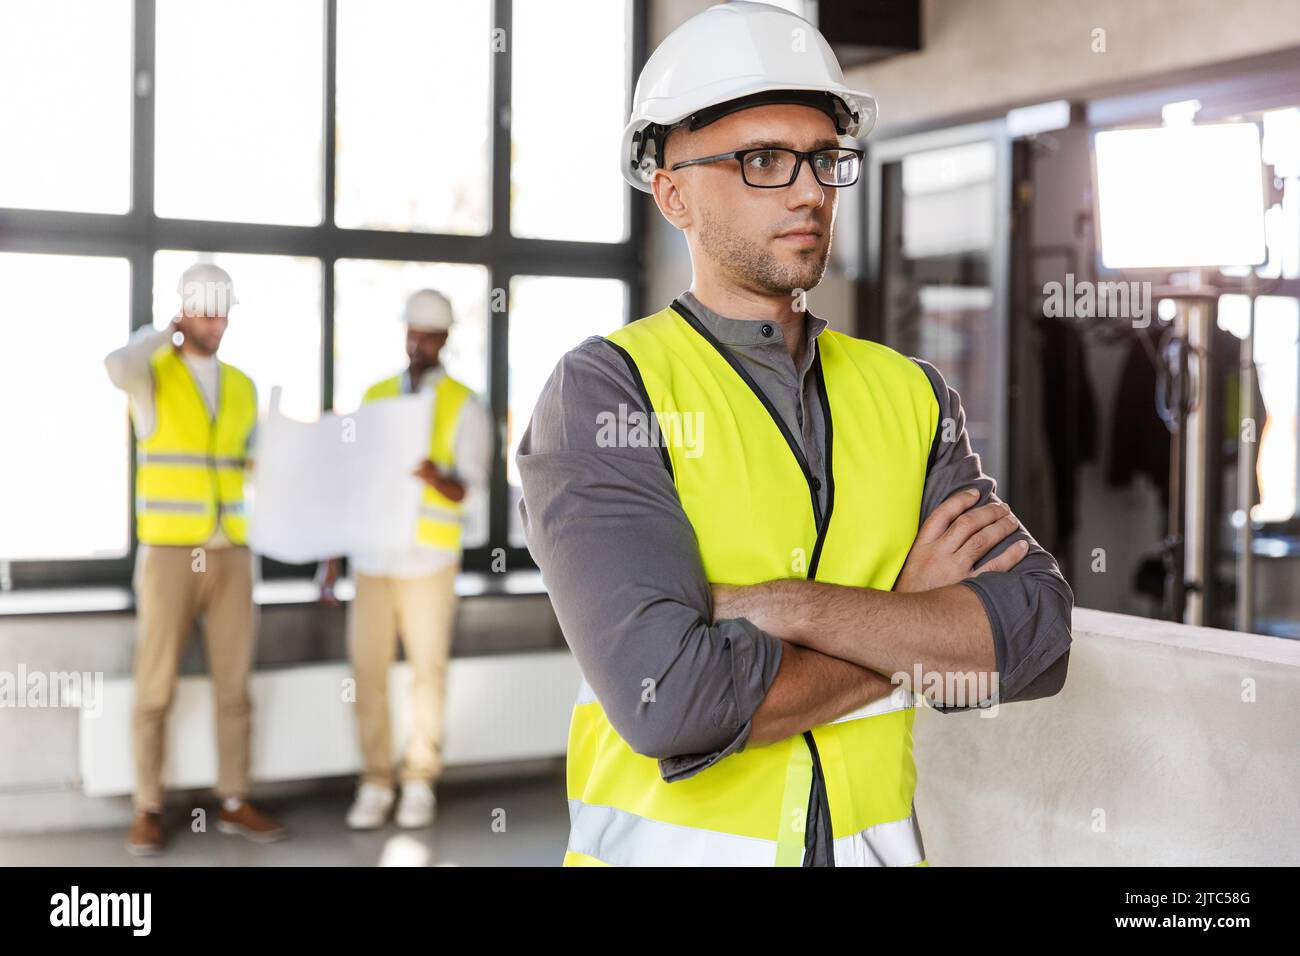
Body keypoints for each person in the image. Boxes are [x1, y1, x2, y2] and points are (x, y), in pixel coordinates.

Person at [516, 1, 1073, 867]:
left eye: (823, 158)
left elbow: (1032, 638)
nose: (812, 190)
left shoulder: (911, 394)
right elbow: (674, 702)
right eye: (762, 160)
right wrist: (910, 619)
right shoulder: (607, 392)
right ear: (672, 193)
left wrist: (789, 608)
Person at [104, 262, 287, 856]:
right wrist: (166, 331)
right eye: (202, 308)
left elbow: (256, 464)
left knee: (235, 686)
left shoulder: (242, 386)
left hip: (231, 552)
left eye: (221, 308)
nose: (214, 319)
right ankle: (147, 808)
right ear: (185, 310)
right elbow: (115, 365)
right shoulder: (151, 374)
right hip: (169, 555)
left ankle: (234, 800)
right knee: (155, 688)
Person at [319, 289, 492, 830]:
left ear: (444, 340)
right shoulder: (374, 395)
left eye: (429, 335)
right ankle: (376, 781)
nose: (419, 343)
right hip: (373, 560)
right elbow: (349, 482)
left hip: (429, 562)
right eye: (413, 333)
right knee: (365, 672)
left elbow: (472, 490)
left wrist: (434, 476)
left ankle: (419, 780)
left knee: (426, 675)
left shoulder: (466, 404)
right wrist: (331, 560)